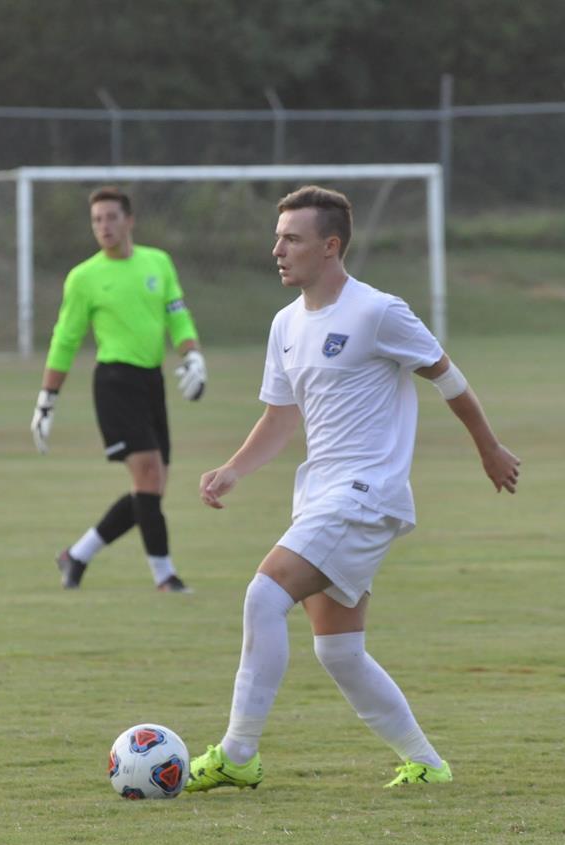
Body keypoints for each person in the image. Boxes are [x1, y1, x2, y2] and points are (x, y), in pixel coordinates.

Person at [189, 185, 520, 790]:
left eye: (292, 239)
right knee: (338, 650)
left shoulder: (378, 311)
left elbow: (448, 378)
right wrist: (234, 469)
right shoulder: (285, 324)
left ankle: (238, 754)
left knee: (264, 596)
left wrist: (489, 448)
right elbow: (280, 417)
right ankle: (427, 764)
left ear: (330, 245)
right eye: (278, 237)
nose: (277, 250)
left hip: (366, 494)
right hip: (321, 496)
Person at [30, 186, 207, 593]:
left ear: (129, 220)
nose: (103, 226)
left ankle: (76, 555)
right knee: (149, 476)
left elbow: (177, 315)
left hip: (151, 381)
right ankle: (164, 576)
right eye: (96, 220)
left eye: (111, 217)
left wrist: (193, 355)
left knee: (152, 488)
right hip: (115, 383)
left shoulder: (158, 262)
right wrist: (47, 399)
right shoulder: (84, 277)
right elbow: (65, 340)